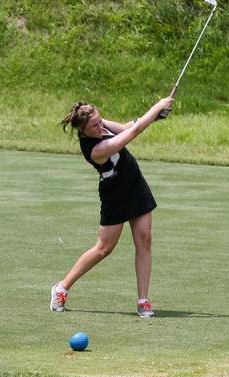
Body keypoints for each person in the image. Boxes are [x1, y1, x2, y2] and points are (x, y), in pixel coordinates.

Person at [51, 96, 173, 317]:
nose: (100, 126)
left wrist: (155, 117)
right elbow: (131, 135)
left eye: (100, 121)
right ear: (83, 131)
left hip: (135, 185)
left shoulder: (99, 124)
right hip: (114, 195)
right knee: (104, 248)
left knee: (144, 240)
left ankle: (143, 300)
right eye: (95, 126)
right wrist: (157, 107)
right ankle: (62, 287)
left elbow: (127, 127)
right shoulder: (94, 149)